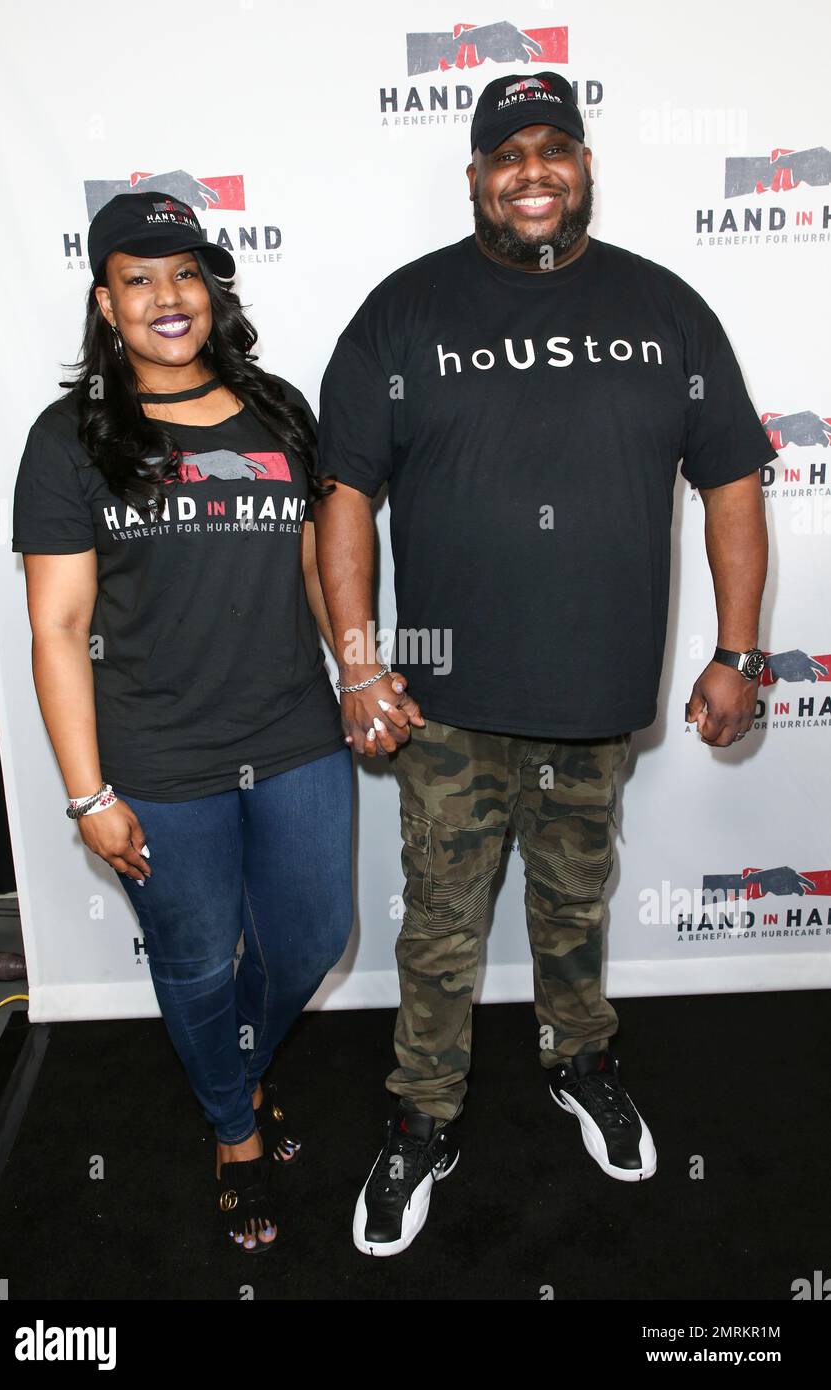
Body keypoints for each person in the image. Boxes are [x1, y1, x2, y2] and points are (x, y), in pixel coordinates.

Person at [315, 71, 774, 1256]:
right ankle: (423, 1115)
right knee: (439, 925)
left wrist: (737, 649)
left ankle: (580, 1061)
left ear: (582, 167)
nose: (532, 169)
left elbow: (728, 477)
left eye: (553, 148)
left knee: (573, 903)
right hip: (443, 689)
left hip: (592, 693)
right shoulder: (401, 310)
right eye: (507, 151)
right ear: (474, 175)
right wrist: (362, 665)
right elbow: (341, 497)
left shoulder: (663, 305)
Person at [10, 190, 412, 1254]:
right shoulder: (69, 440)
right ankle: (233, 1126)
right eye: (137, 279)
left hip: (291, 734)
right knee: (192, 958)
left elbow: (323, 566)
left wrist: (360, 672)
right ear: (106, 304)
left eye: (184, 273)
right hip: (156, 753)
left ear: (211, 289)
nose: (166, 297)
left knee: (314, 933)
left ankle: (226, 1064)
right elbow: (57, 628)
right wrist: (89, 793)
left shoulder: (276, 411)